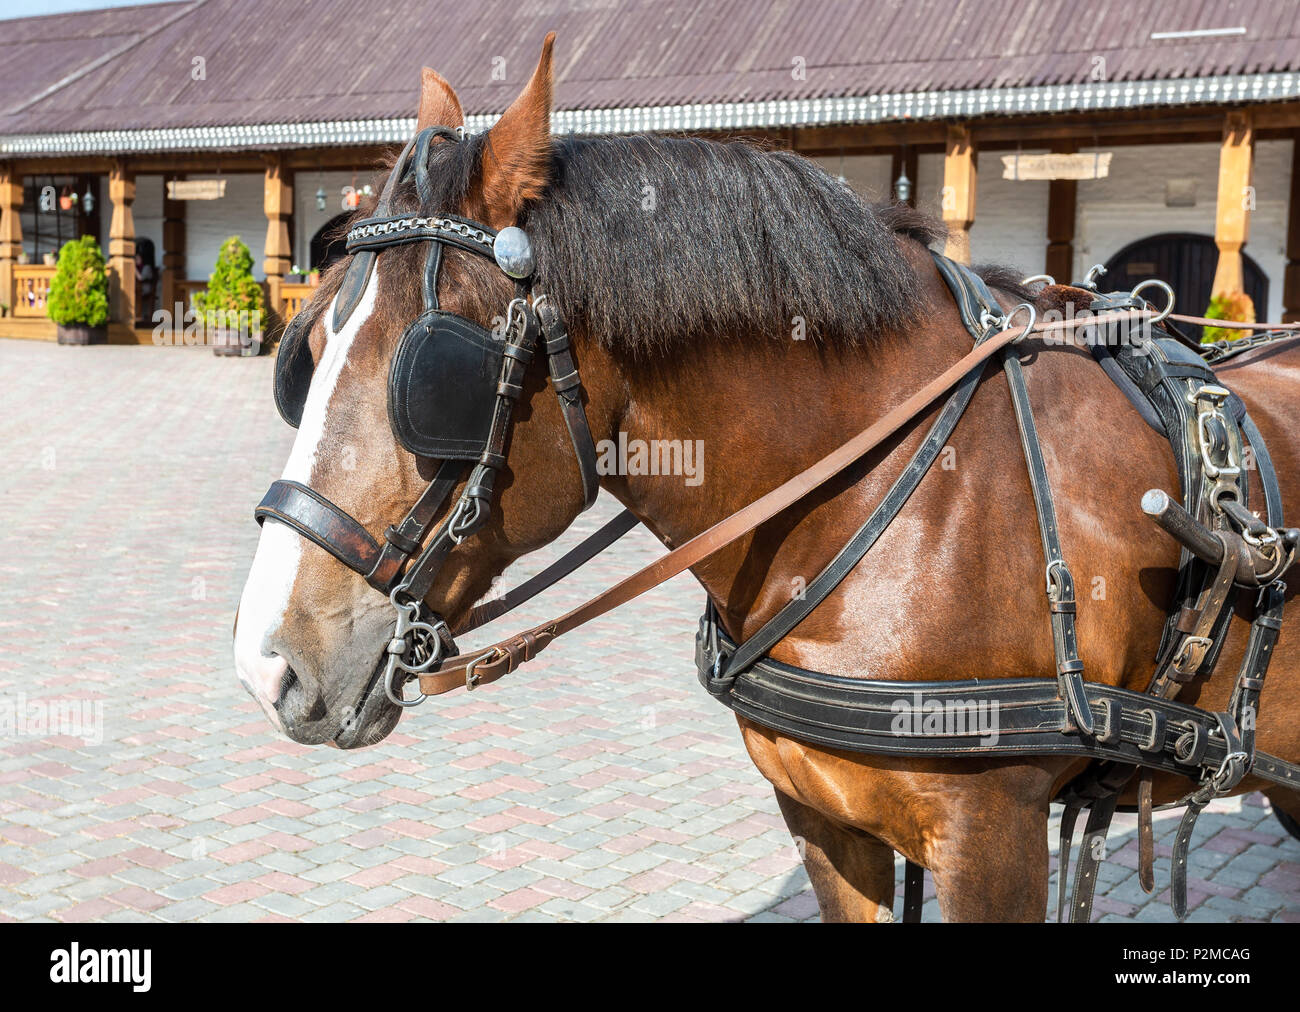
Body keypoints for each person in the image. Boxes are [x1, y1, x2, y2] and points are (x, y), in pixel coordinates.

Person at [134, 237, 158, 325]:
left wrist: (134, 269)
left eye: (138, 259)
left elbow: (140, 278)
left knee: (136, 291)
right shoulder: (139, 267)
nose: (136, 261)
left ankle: (138, 315)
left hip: (145, 288)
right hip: (138, 287)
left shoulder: (146, 267)